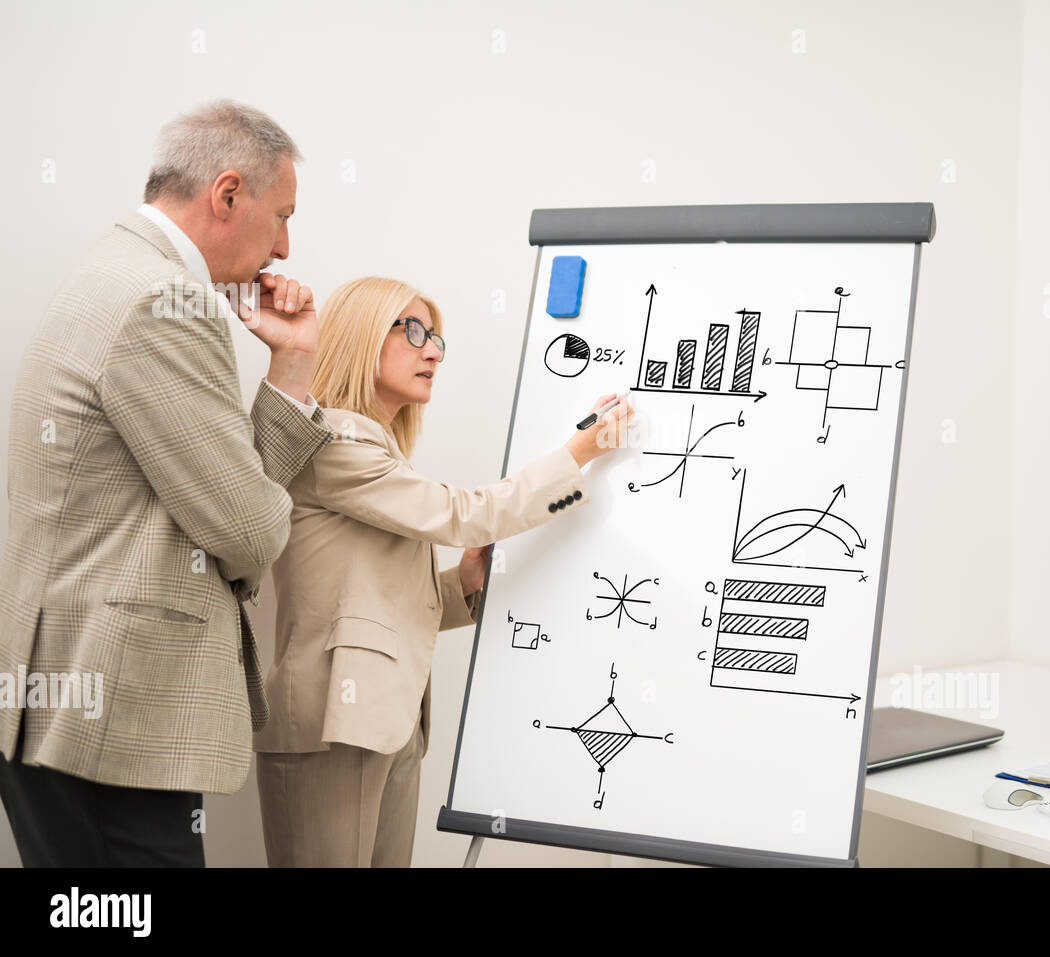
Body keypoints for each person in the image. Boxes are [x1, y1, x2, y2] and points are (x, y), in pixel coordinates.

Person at [0, 100, 332, 866]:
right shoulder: (161, 301)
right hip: (108, 722)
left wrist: (288, 366)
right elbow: (249, 527)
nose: (284, 245)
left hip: (73, 709)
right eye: (280, 215)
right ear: (225, 196)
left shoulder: (111, 269)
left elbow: (213, 493)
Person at [254, 276, 632, 866]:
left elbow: (380, 596)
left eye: (435, 337)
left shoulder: (376, 452)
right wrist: (579, 452)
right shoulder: (328, 441)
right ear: (358, 338)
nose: (432, 350)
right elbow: (465, 513)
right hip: (334, 722)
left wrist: (464, 584)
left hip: (388, 721)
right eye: (411, 331)